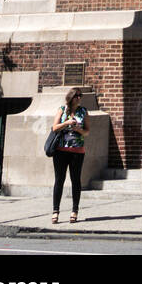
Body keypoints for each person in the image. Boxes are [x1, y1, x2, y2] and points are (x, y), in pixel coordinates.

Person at [51, 87, 90, 224]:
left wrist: (78, 129)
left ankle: (75, 211)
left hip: (77, 151)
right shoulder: (62, 109)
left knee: (76, 181)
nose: (79, 98)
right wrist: (67, 123)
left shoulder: (83, 111)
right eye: (77, 96)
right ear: (71, 97)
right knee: (59, 180)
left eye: (81, 96)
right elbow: (54, 127)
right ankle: (55, 211)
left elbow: (87, 132)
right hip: (60, 151)